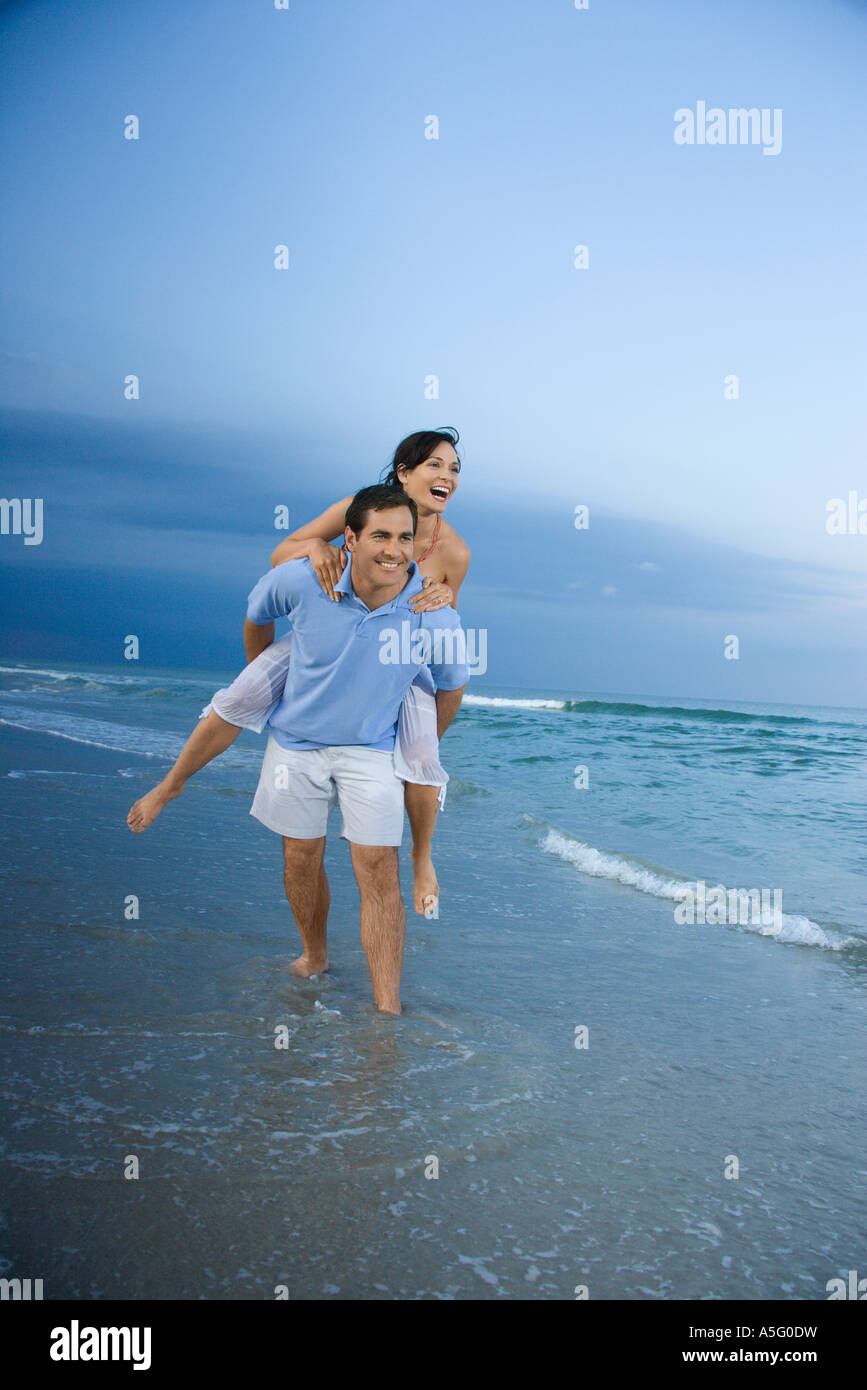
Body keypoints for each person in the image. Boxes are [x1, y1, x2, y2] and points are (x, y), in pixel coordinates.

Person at [127, 428, 470, 918]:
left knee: (422, 754)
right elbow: (283, 552)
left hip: (396, 657)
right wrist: (315, 549)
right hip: (328, 636)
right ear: (405, 473)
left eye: (454, 468)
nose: (447, 476)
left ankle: (422, 857)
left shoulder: (455, 552)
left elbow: (445, 626)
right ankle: (173, 783)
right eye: (435, 464)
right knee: (240, 696)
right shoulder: (361, 507)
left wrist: (440, 596)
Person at [244, 484, 468, 1014]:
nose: (394, 548)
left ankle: (387, 1007)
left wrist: (422, 741)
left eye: (405, 538)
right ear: (351, 536)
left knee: (377, 867)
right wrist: (264, 681)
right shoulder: (306, 575)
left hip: (375, 737)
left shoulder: (437, 589)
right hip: (298, 737)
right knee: (300, 856)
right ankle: (314, 955)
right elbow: (259, 611)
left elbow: (452, 682)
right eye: (381, 536)